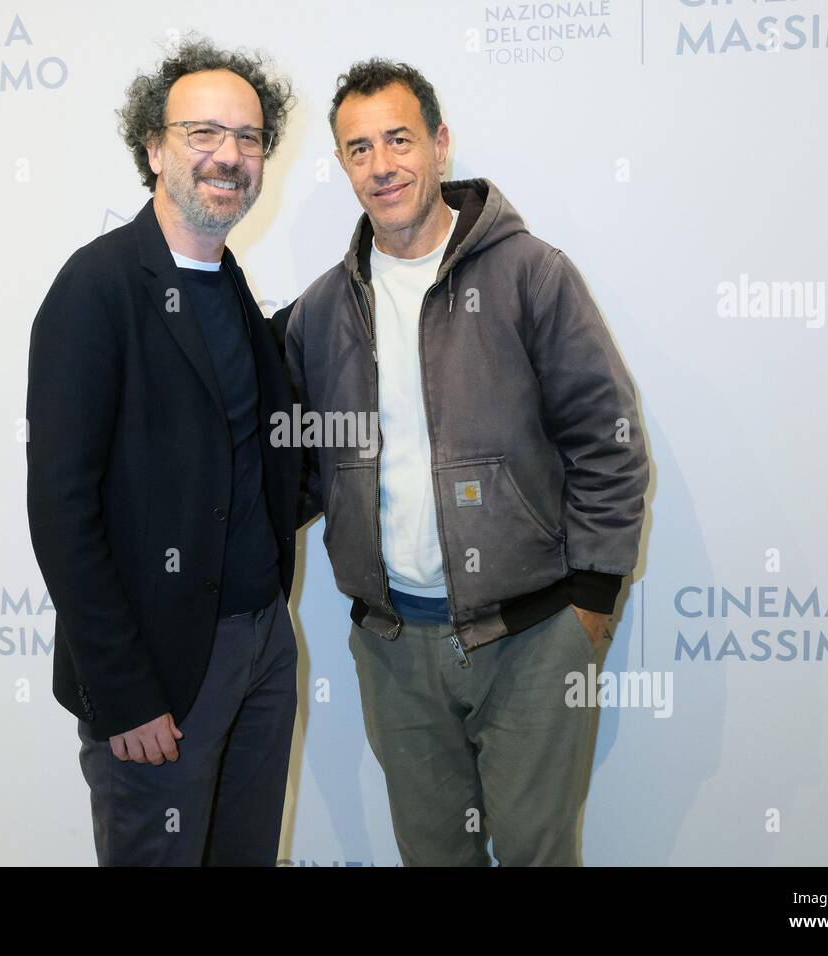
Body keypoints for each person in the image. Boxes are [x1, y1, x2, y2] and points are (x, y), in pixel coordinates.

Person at [277, 58, 649, 866]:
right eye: (359, 149)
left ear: (440, 146)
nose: (383, 166)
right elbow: (296, 466)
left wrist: (591, 601)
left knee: (534, 856)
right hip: (393, 646)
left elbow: (607, 439)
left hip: (533, 639)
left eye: (400, 139)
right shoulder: (319, 311)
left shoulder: (531, 275)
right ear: (343, 166)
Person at [25, 37, 298, 866]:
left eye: (249, 137)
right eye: (203, 133)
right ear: (152, 148)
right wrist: (124, 694)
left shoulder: (234, 284)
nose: (230, 155)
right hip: (160, 679)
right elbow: (61, 508)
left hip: (262, 651)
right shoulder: (97, 287)